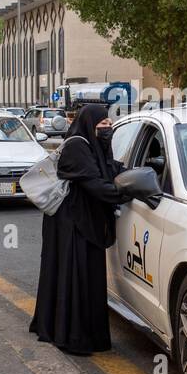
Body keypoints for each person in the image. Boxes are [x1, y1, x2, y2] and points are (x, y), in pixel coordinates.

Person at [30, 103, 131, 355]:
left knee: (89, 278)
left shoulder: (94, 145)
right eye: (102, 124)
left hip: (86, 220)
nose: (107, 128)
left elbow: (110, 169)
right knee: (75, 275)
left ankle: (89, 333)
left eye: (108, 124)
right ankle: (72, 335)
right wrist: (126, 192)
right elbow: (96, 185)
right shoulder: (76, 146)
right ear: (88, 123)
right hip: (71, 223)